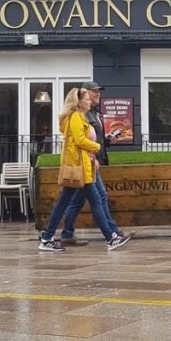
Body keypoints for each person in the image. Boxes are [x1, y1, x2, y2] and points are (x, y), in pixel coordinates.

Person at [38, 88, 131, 252]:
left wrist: (93, 156)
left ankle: (47, 238)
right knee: (95, 200)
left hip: (84, 165)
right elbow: (80, 140)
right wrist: (97, 147)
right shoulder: (75, 117)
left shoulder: (80, 117)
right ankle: (110, 237)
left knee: (64, 203)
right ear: (78, 102)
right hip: (80, 167)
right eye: (86, 99)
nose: (89, 101)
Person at [60, 80, 127, 247]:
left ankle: (66, 233)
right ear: (84, 95)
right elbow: (82, 140)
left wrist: (107, 141)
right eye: (94, 91)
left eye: (99, 91)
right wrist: (94, 156)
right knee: (99, 197)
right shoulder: (82, 115)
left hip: (90, 161)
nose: (98, 94)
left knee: (76, 201)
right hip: (87, 162)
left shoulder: (92, 113)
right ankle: (112, 234)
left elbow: (91, 138)